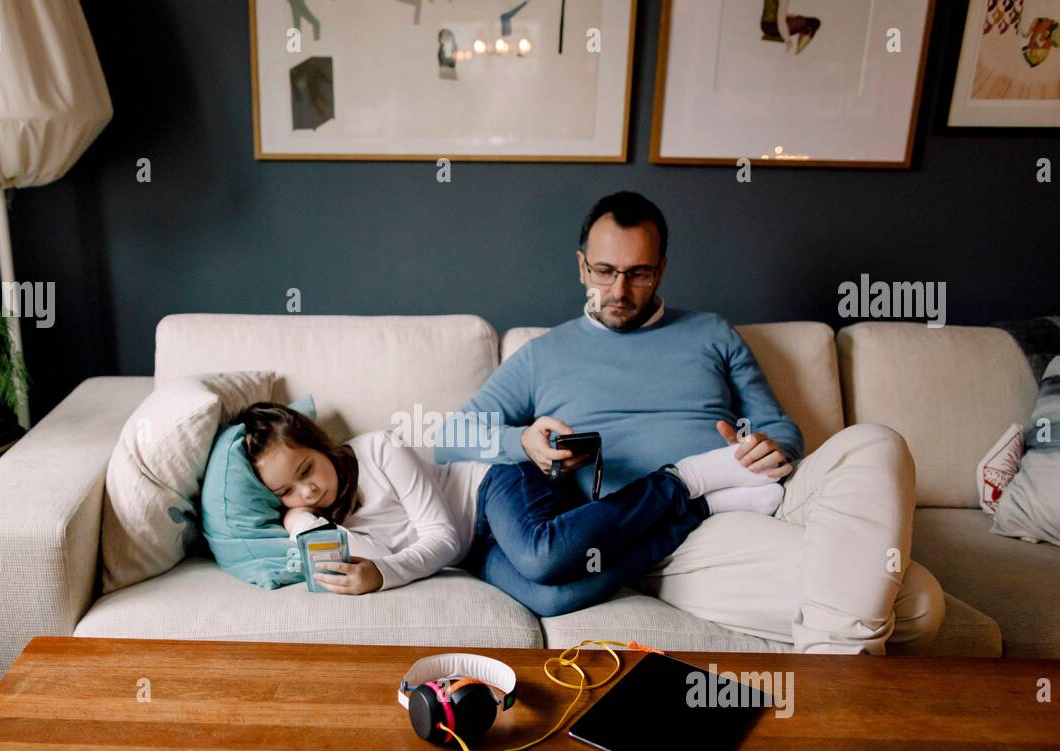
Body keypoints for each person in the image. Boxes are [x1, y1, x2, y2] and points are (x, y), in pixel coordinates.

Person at [434, 191, 946, 654]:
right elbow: (449, 438)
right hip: (684, 531)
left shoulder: (711, 332)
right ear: (581, 266)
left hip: (767, 491)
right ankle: (841, 686)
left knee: (875, 442)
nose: (619, 289)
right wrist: (522, 440)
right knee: (918, 603)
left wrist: (769, 445)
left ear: (661, 269)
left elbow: (781, 428)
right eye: (604, 271)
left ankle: (834, 678)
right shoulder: (541, 354)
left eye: (639, 273)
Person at [230, 401, 788, 618]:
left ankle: (682, 479)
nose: (305, 493)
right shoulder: (311, 518)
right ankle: (702, 509)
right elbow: (439, 553)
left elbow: (441, 537)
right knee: (554, 596)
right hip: (480, 550)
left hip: (489, 491)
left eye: (306, 473)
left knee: (544, 556)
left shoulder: (379, 449)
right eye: (284, 492)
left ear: (320, 443)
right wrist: (298, 520)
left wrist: (381, 575)